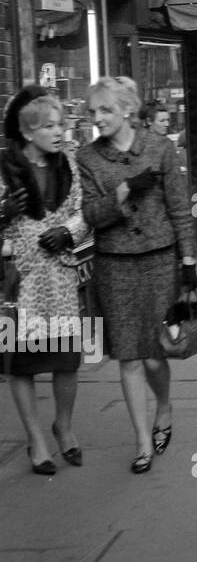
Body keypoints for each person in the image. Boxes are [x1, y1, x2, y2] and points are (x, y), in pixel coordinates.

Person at [77, 76, 196, 475]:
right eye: (93, 112)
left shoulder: (160, 148)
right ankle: (142, 442)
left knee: (154, 356)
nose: (98, 119)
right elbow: (91, 215)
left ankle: (164, 404)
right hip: (114, 265)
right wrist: (124, 191)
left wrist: (190, 264)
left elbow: (180, 209)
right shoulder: (87, 158)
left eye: (106, 110)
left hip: (160, 261)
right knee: (128, 357)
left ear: (127, 109)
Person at [2, 92, 90, 474]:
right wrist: (3, 213)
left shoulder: (68, 166)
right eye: (50, 126)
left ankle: (64, 427)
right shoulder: (4, 169)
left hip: (61, 278)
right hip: (16, 284)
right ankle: (36, 439)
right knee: (18, 364)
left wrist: (67, 232)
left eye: (61, 124)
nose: (59, 132)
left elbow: (84, 213)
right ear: (27, 130)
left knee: (67, 360)